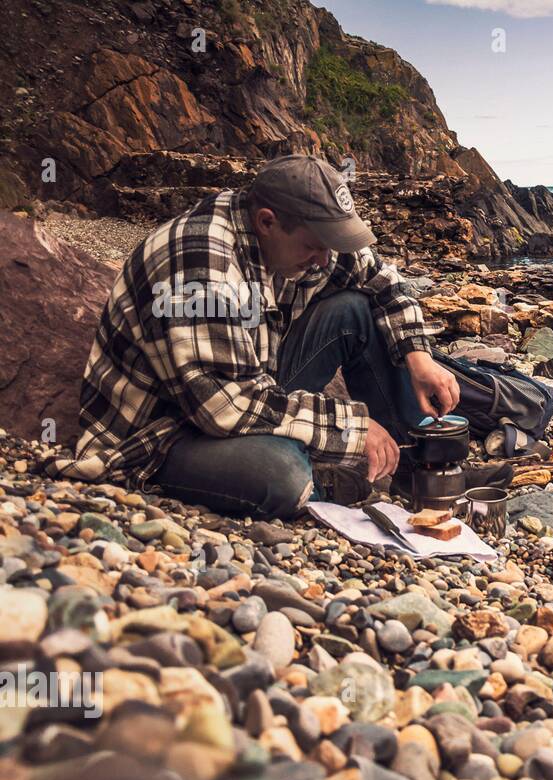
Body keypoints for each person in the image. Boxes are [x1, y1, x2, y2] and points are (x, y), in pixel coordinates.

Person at [46, 155, 489, 517]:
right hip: (166, 432)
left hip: (253, 380)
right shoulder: (202, 268)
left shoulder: (300, 240)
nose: (323, 259)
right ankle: (322, 482)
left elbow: (382, 281)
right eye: (316, 245)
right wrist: (356, 428)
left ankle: (420, 474)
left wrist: (418, 356)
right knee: (282, 474)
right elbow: (224, 407)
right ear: (267, 221)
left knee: (356, 308)